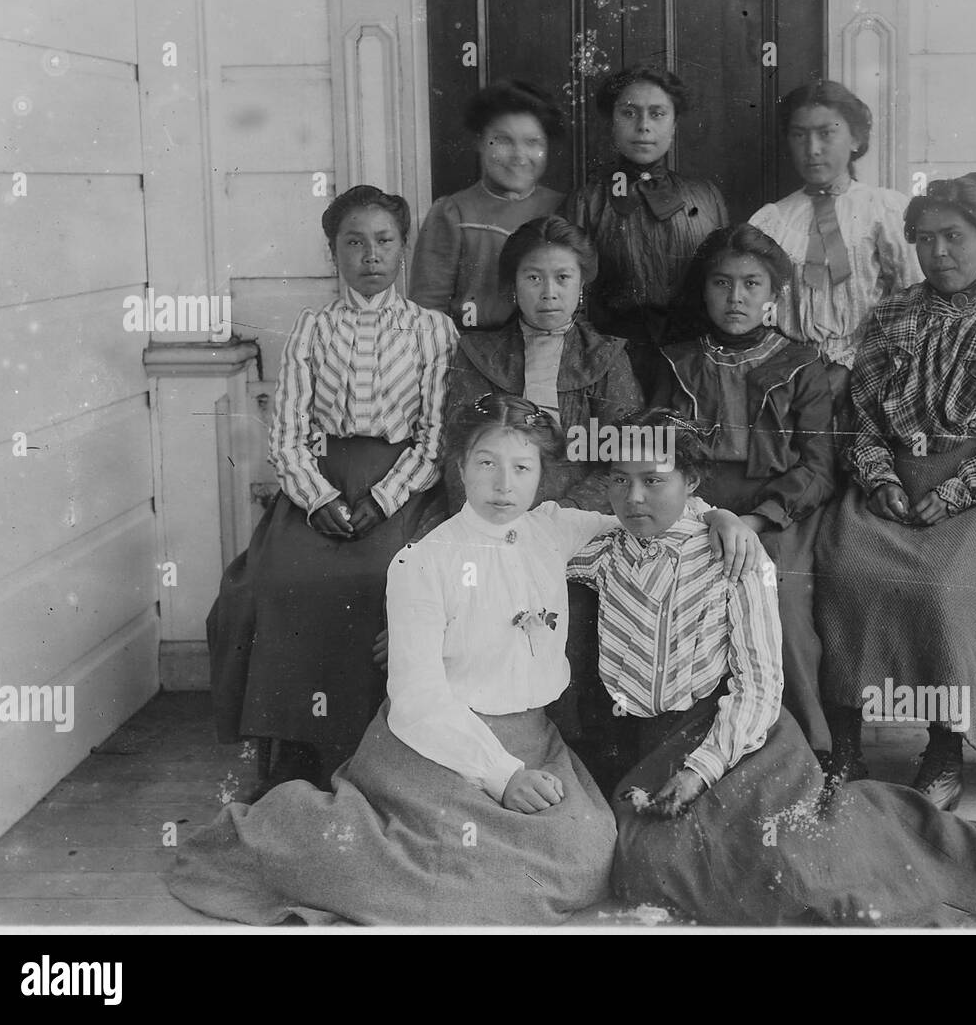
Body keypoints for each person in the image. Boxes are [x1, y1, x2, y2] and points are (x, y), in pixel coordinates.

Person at [168, 394, 763, 926]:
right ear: (459, 469)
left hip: (531, 740)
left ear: (542, 477)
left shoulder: (554, 530)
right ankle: (289, 831)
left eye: (522, 468)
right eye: (487, 464)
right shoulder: (422, 562)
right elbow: (419, 702)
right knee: (439, 861)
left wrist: (720, 516)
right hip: (433, 743)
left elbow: (652, 511)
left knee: (585, 861)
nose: (504, 484)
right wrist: (501, 777)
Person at [568, 409, 976, 927]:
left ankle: (925, 850)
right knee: (647, 865)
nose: (634, 498)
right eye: (618, 480)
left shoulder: (735, 559)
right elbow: (524, 533)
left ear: (690, 479)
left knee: (786, 870)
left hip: (736, 736)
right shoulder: (598, 551)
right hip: (649, 742)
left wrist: (698, 772)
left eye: (654, 480)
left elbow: (760, 685)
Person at [813, 173, 976, 809]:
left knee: (945, 590)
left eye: (954, 237)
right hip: (897, 480)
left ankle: (944, 745)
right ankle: (844, 739)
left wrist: (958, 491)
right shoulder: (893, 315)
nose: (939, 254)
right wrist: (877, 477)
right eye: (924, 240)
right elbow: (866, 418)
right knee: (842, 568)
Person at [208, 184, 456, 792]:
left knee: (379, 581)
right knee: (283, 579)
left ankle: (378, 748)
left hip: (402, 485)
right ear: (333, 252)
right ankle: (296, 746)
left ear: (404, 249)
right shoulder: (312, 330)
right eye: (353, 242)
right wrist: (316, 498)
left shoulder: (433, 331)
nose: (370, 255)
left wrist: (382, 498)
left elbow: (436, 437)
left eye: (384, 241)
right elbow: (288, 432)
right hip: (318, 484)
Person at [440, 215, 643, 760]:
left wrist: (559, 518)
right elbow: (460, 452)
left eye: (562, 278)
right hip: (494, 510)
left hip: (582, 516)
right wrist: (493, 526)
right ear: (513, 286)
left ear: (582, 287)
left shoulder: (607, 359)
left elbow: (623, 460)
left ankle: (589, 751)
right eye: (533, 278)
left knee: (583, 604)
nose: (548, 292)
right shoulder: (479, 354)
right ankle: (504, 742)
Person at [652, 223, 838, 769]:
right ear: (704, 290)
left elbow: (819, 465)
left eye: (752, 284)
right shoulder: (676, 361)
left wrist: (755, 520)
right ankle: (696, 746)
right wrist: (697, 510)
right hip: (695, 506)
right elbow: (660, 451)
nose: (736, 298)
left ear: (773, 295)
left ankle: (807, 748)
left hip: (778, 512)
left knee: (774, 597)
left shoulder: (803, 364)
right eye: (722, 283)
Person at [749, 80, 921, 425]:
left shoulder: (882, 210)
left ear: (855, 139)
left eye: (827, 133)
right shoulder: (772, 221)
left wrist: (851, 366)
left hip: (874, 376)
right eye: (799, 135)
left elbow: (911, 305)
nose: (812, 148)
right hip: (792, 382)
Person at [563, 65, 729, 394]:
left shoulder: (705, 197)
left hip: (695, 364)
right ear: (612, 123)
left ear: (674, 125)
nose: (643, 127)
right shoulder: (587, 200)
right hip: (611, 366)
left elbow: (724, 278)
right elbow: (574, 298)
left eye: (657, 114)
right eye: (629, 113)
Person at [410, 79, 565, 331]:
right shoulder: (453, 213)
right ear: (480, 142)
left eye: (533, 142)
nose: (519, 155)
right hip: (471, 352)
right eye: (503, 141)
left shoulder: (562, 208)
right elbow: (427, 310)